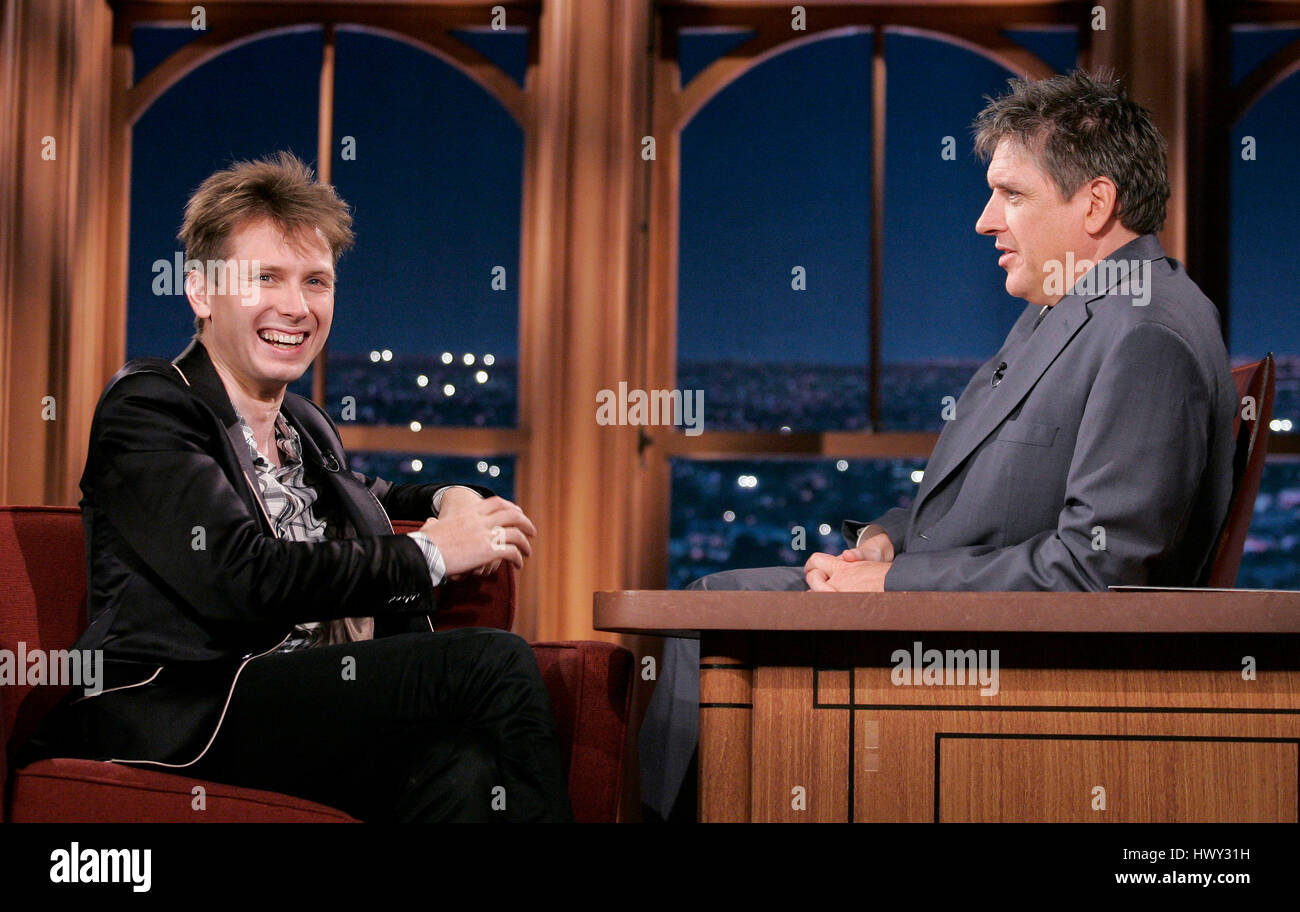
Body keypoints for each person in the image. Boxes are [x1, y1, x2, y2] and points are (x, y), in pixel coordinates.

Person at [641, 69, 1239, 822]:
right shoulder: (1077, 311)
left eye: (1012, 195)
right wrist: (888, 544)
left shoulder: (1144, 331)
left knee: (710, 612)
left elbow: (1100, 569)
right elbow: (982, 500)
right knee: (711, 607)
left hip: (1009, 670)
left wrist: (891, 590)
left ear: (1095, 202)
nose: (985, 221)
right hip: (950, 628)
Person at [18, 152, 573, 822]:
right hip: (189, 709)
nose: (296, 306)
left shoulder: (302, 425)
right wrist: (430, 554)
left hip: (291, 706)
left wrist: (443, 500)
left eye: (317, 281)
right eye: (266, 278)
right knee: (493, 664)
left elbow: (366, 492)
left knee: (465, 768)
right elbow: (239, 574)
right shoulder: (150, 407)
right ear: (200, 291)